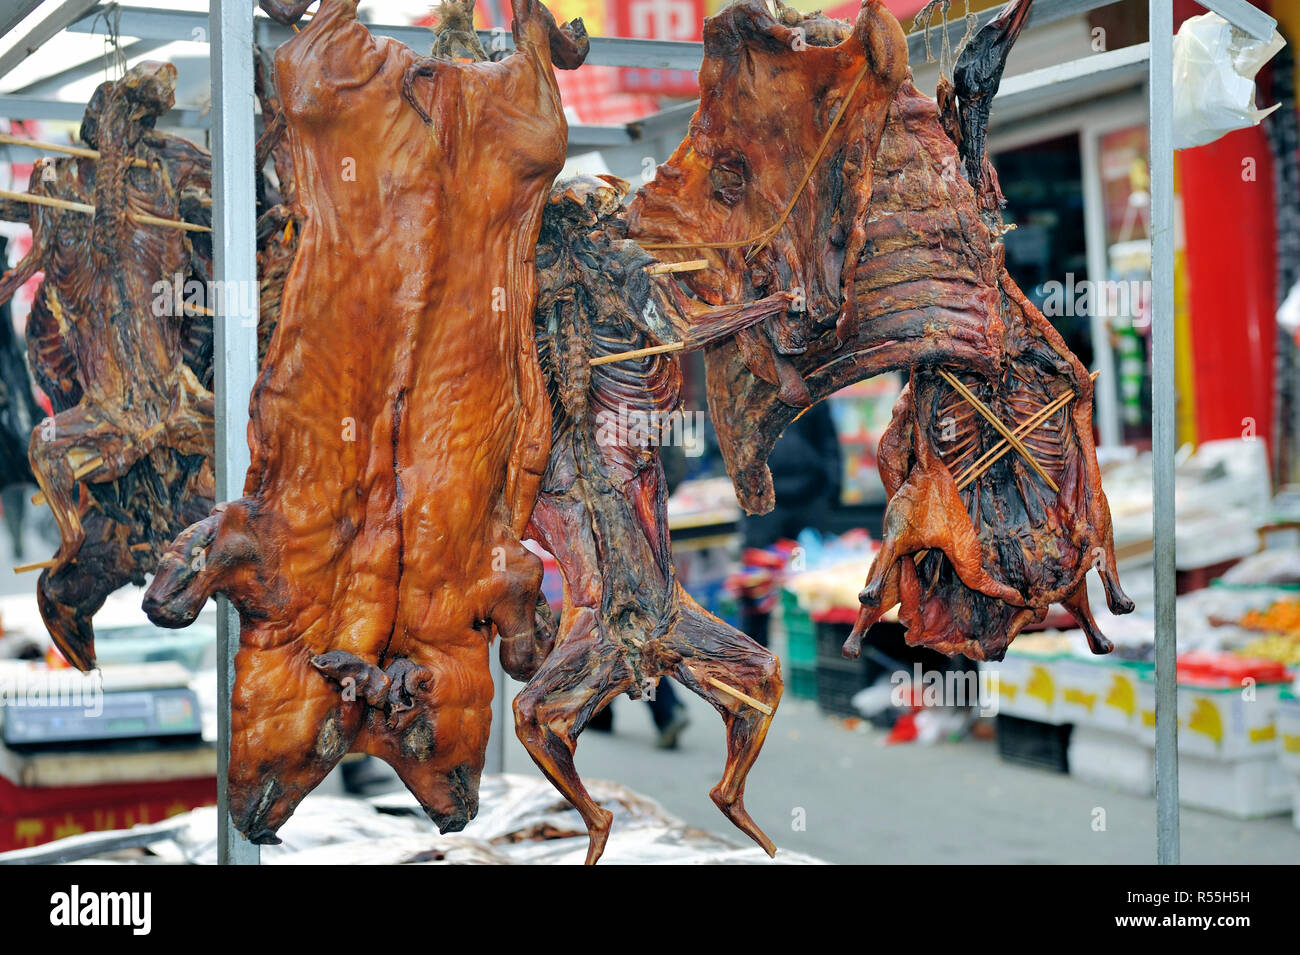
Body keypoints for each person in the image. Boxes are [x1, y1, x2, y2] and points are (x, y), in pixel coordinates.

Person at [738, 401, 842, 646]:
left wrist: (832, 490)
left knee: (809, 580)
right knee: (756, 584)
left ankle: (816, 652)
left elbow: (828, 441)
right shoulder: (750, 390)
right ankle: (752, 657)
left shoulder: (812, 388)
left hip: (808, 502)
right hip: (764, 507)